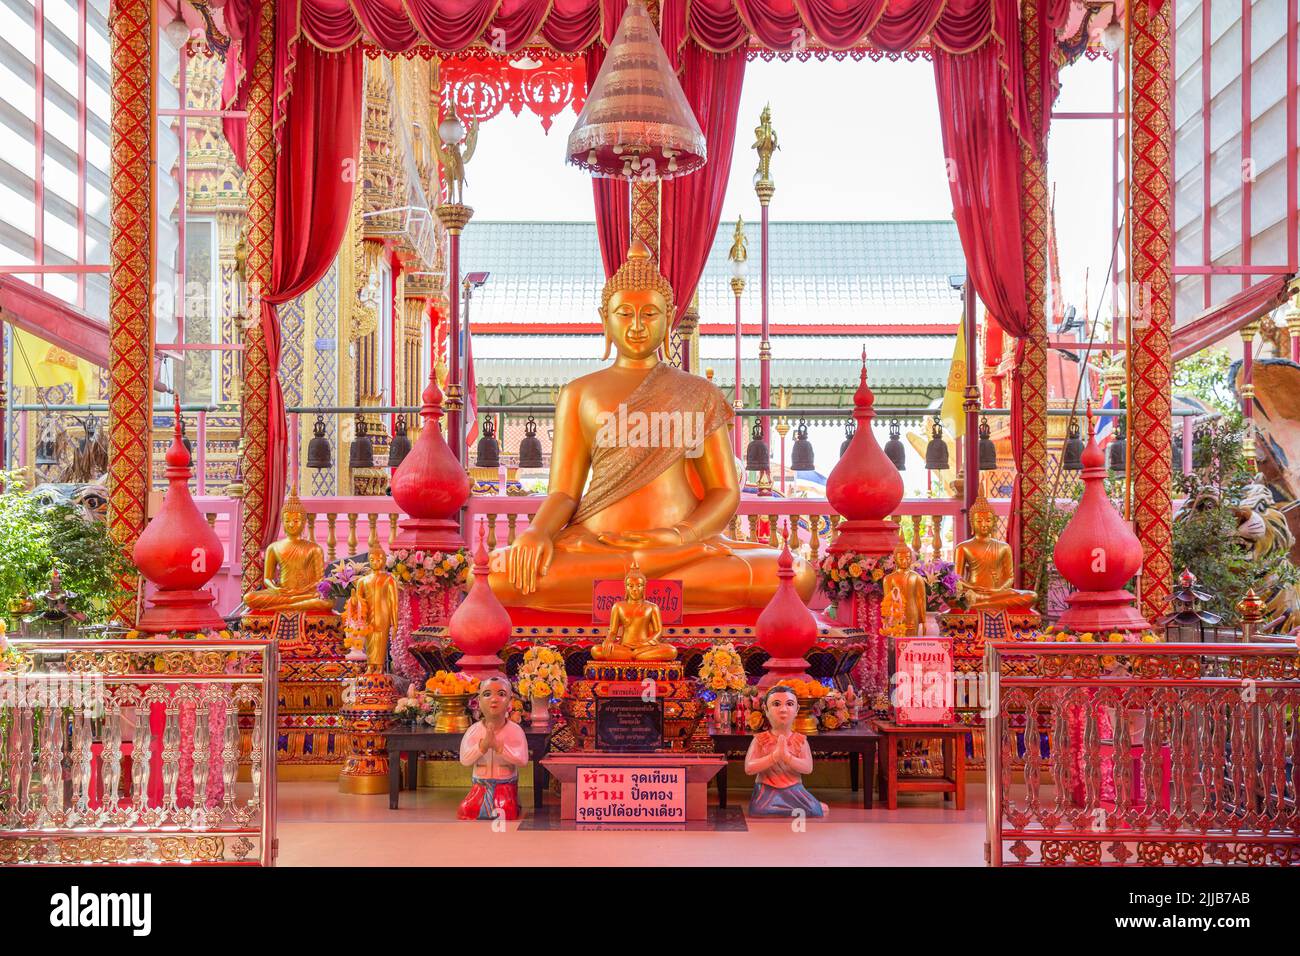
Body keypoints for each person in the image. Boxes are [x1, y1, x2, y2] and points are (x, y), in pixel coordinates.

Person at [745, 685, 827, 818]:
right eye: (776, 704)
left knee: (814, 810)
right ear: (766, 709)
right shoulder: (760, 739)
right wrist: (774, 757)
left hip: (793, 789)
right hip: (767, 790)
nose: (783, 709)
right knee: (759, 810)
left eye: (789, 704)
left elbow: (807, 768)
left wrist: (787, 757)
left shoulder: (800, 740)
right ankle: (795, 807)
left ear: (797, 710)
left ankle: (808, 804)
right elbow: (749, 768)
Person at [457, 677, 529, 821]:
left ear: (510, 702)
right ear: (478, 702)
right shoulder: (473, 730)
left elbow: (522, 760)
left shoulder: (514, 730)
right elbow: (465, 760)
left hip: (505, 784)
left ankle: (511, 801)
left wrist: (498, 746)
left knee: (504, 810)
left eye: (501, 694)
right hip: (480, 785)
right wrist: (482, 746)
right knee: (466, 810)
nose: (494, 699)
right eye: (487, 694)